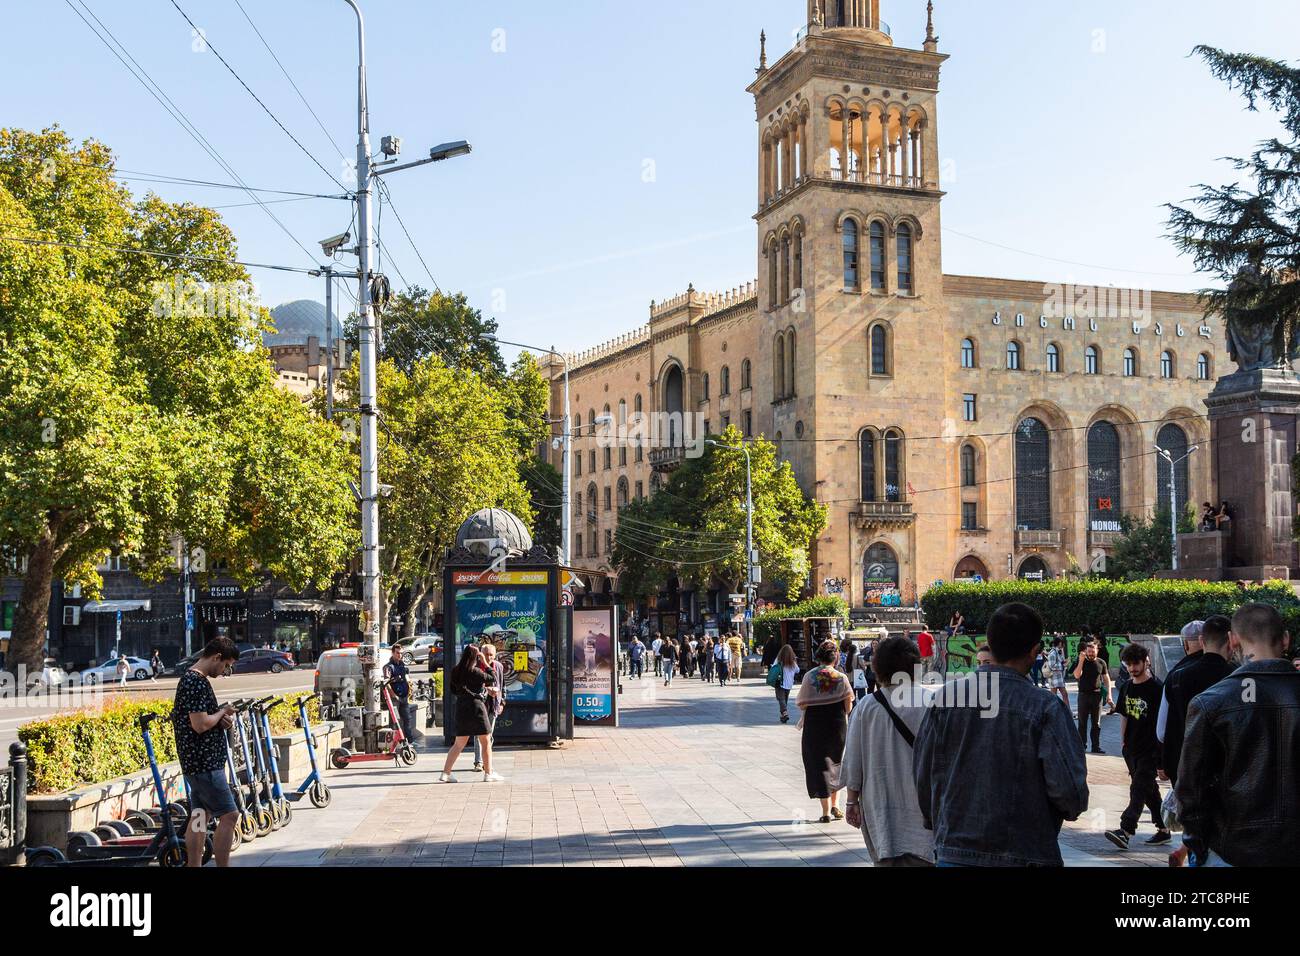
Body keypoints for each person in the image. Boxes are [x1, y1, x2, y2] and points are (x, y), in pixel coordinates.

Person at [915, 603, 1089, 867]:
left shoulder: (945, 699)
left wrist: (938, 821)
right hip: (1027, 852)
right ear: (1033, 651)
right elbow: (1070, 793)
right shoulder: (1046, 707)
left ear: (990, 644)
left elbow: (923, 774)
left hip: (955, 851)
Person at [1177, 603, 1300, 867]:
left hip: (1233, 848)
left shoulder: (1211, 702)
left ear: (1233, 640)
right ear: (1286, 639)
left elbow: (1191, 789)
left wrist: (1197, 844)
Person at [842, 636, 936, 866]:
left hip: (881, 804)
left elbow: (854, 759)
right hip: (925, 807)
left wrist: (851, 800)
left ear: (878, 667)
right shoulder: (933, 702)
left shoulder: (867, 706)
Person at [171, 638, 241, 867]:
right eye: (226, 665)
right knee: (230, 816)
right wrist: (222, 713)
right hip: (204, 763)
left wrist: (220, 718)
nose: (225, 671)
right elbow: (200, 724)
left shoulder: (193, 679)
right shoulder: (195, 682)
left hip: (197, 762)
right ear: (216, 657)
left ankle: (194, 865)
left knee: (200, 816)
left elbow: (204, 720)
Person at [1104, 644, 1169, 850]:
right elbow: (1123, 714)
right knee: (1148, 790)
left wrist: (1162, 755)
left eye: (1135, 663)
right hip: (1130, 748)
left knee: (1138, 788)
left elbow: (1164, 722)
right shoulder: (1126, 687)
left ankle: (1125, 830)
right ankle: (1164, 828)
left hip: (1150, 749)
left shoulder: (1157, 689)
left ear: (1145, 661)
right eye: (1128, 664)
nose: (1132, 668)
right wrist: (1123, 742)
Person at [797, 640, 854, 823]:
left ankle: (826, 811)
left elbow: (802, 703)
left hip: (815, 725)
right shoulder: (841, 677)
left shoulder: (809, 677)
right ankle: (836, 804)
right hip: (837, 725)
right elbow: (848, 706)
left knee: (818, 765)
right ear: (835, 657)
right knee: (835, 763)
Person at [440, 645, 504, 783]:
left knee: (458, 744)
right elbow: (492, 677)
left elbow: (453, 690)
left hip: (462, 708)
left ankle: (445, 773)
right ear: (476, 657)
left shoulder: (456, 671)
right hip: (477, 709)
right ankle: (488, 773)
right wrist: (486, 663)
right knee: (486, 741)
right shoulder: (475, 671)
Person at [1073, 639, 1112, 754]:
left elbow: (1106, 679)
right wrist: (1080, 661)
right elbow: (1076, 675)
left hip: (1097, 696)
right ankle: (1081, 746)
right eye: (1089, 651)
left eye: (1093, 651)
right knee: (1082, 723)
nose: (1090, 654)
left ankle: (1096, 747)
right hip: (1083, 695)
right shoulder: (1081, 661)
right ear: (1086, 651)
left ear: (1097, 651)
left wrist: (1109, 694)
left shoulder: (1101, 663)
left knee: (1096, 723)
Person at [473, 643, 506, 773]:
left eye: (491, 655)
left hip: (493, 704)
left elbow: (502, 685)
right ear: (481, 654)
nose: (489, 657)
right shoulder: (475, 667)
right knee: (478, 734)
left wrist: (502, 702)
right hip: (479, 704)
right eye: (486, 654)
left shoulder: (498, 666)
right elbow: (471, 687)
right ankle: (478, 762)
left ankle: (486, 760)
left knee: (489, 734)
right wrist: (487, 689)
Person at [382, 644, 414, 745]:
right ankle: (396, 743)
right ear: (393, 653)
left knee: (407, 720)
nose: (399, 655)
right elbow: (386, 683)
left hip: (404, 697)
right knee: (396, 721)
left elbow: (406, 678)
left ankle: (409, 741)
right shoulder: (388, 667)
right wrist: (393, 695)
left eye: (401, 653)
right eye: (397, 653)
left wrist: (410, 689)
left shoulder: (402, 664)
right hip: (395, 698)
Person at [774, 644, 799, 724]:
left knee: (781, 699)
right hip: (789, 684)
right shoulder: (792, 662)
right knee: (785, 700)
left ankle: (784, 713)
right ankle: (783, 715)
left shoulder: (778, 660)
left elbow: (773, 667)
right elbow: (797, 670)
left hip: (780, 682)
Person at [1046, 637, 1070, 710]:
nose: (1063, 645)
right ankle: (1053, 712)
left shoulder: (1058, 651)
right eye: (1062, 643)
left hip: (1059, 677)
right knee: (1054, 696)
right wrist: (1063, 665)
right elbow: (1052, 666)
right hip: (1054, 677)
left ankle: (1067, 711)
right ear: (1059, 643)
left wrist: (1065, 661)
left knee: (1064, 694)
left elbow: (1060, 661)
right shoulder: (1052, 653)